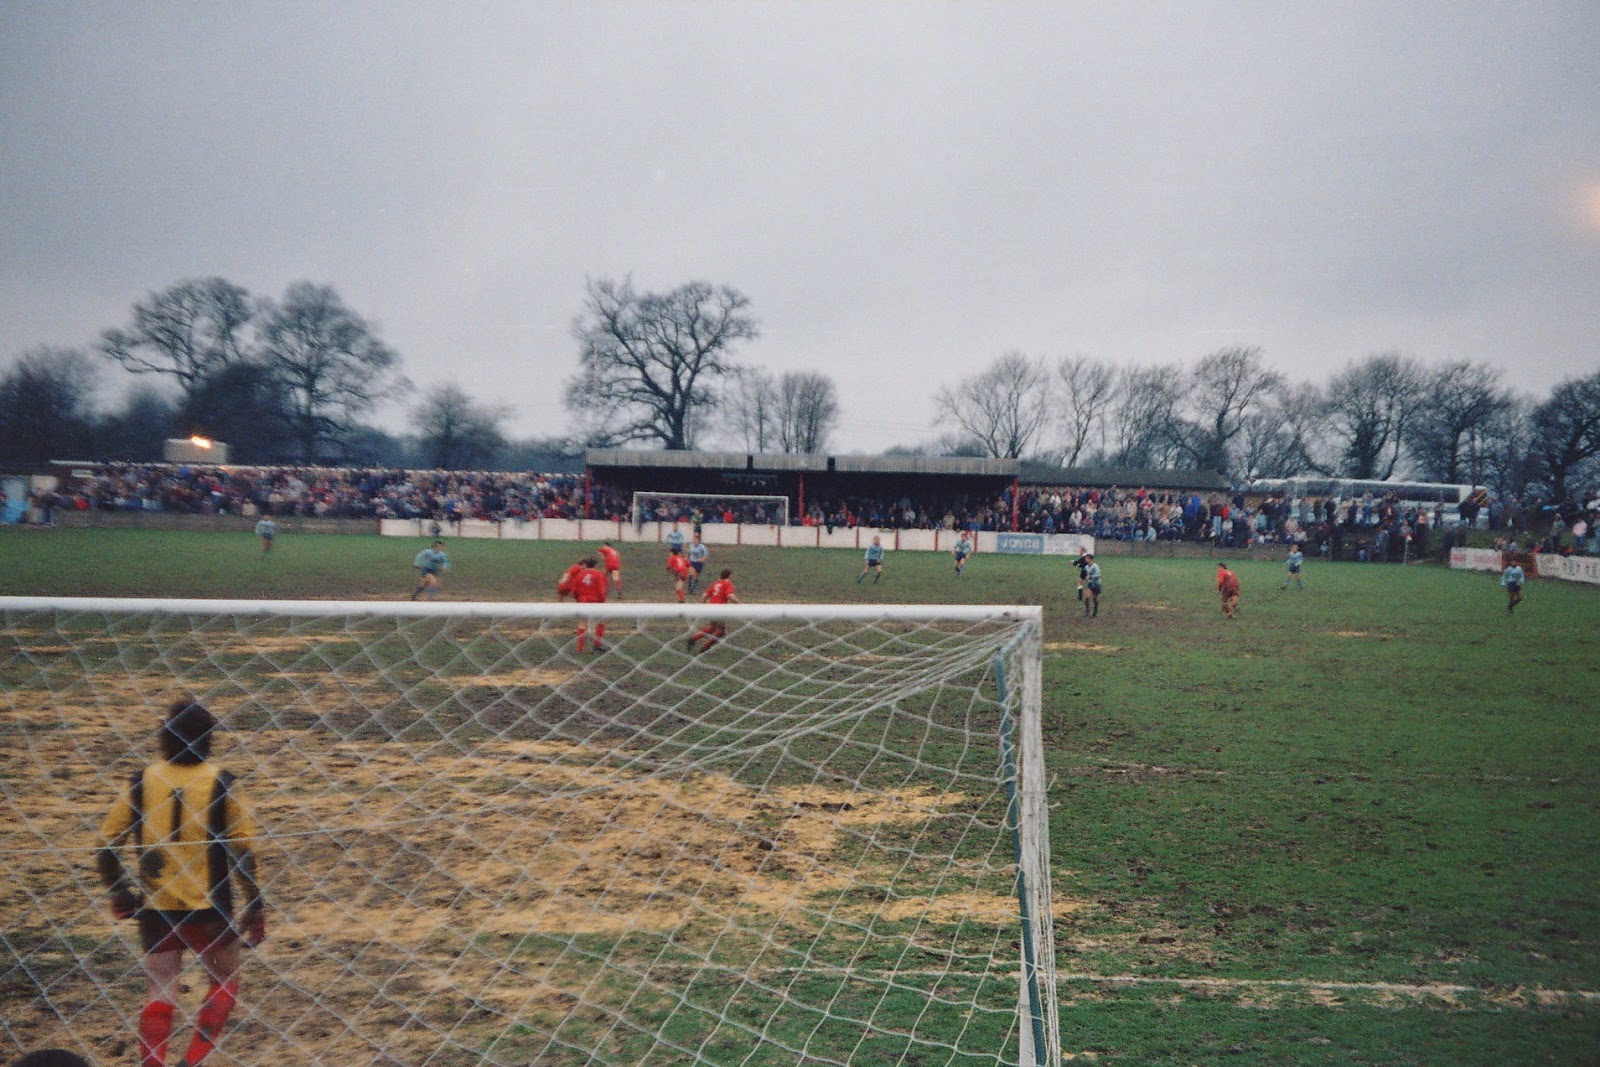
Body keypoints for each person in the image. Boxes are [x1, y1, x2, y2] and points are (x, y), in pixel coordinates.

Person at [96, 699, 265, 1067]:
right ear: (209, 739)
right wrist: (255, 902)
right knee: (224, 980)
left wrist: (119, 889)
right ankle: (192, 1061)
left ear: (165, 737)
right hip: (211, 908)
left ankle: (153, 1063)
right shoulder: (222, 782)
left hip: (157, 908)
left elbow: (107, 844)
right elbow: (243, 851)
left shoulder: (143, 781)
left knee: (160, 988)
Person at [688, 568, 739, 653]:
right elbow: (730, 596)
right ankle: (705, 648)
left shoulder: (716, 583)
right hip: (720, 610)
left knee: (712, 628)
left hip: (712, 609)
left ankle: (694, 638)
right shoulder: (727, 583)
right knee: (721, 631)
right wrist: (739, 603)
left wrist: (703, 604)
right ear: (729, 575)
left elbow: (704, 595)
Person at [572, 556, 609, 652]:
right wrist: (602, 601)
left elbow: (574, 590)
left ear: (585, 565)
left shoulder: (579, 574)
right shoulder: (599, 574)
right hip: (595, 601)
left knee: (582, 623)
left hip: (583, 601)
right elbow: (601, 590)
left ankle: (580, 649)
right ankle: (597, 644)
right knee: (601, 621)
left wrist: (578, 599)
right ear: (595, 565)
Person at [1082, 553, 1102, 618]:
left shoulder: (1095, 566)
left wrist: (1091, 577)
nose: (1085, 560)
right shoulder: (1086, 567)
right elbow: (1087, 575)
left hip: (1097, 584)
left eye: (1086, 558)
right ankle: (1088, 612)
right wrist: (1086, 579)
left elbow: (1098, 575)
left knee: (1094, 599)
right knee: (1086, 598)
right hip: (1090, 584)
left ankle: (1095, 611)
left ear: (1090, 559)